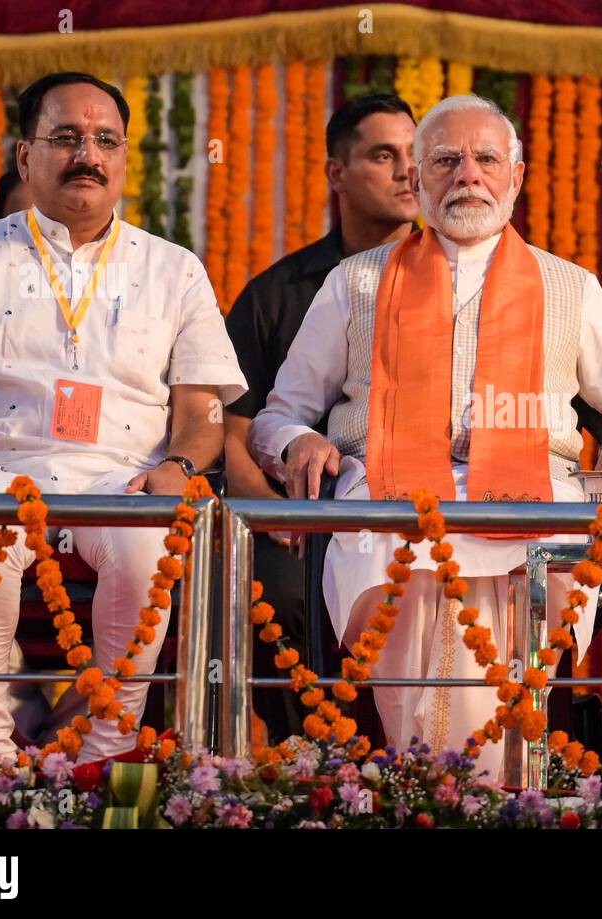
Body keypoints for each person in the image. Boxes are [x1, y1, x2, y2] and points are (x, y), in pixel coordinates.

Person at [250, 94, 602, 776]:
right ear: (418, 180)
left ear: (515, 176)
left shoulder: (567, 286)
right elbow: (278, 414)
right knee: (389, 552)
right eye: (446, 160)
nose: (468, 177)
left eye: (486, 159)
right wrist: (298, 443)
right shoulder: (356, 283)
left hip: (533, 496)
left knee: (546, 556)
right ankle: (419, 785)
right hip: (389, 501)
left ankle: (513, 784)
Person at [0, 71, 247, 762]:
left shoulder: (175, 269)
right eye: (67, 137)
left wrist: (177, 466)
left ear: (122, 158)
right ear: (26, 157)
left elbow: (204, 409)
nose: (89, 152)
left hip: (125, 481)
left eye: (105, 139)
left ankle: (104, 757)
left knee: (147, 547)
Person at [224, 93, 418, 744]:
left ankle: (429, 774)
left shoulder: (460, 281)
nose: (407, 172)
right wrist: (276, 518)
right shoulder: (276, 294)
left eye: (416, 155)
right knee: (271, 590)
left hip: (421, 510)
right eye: (384, 155)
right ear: (336, 173)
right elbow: (232, 435)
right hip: (299, 522)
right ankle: (307, 769)